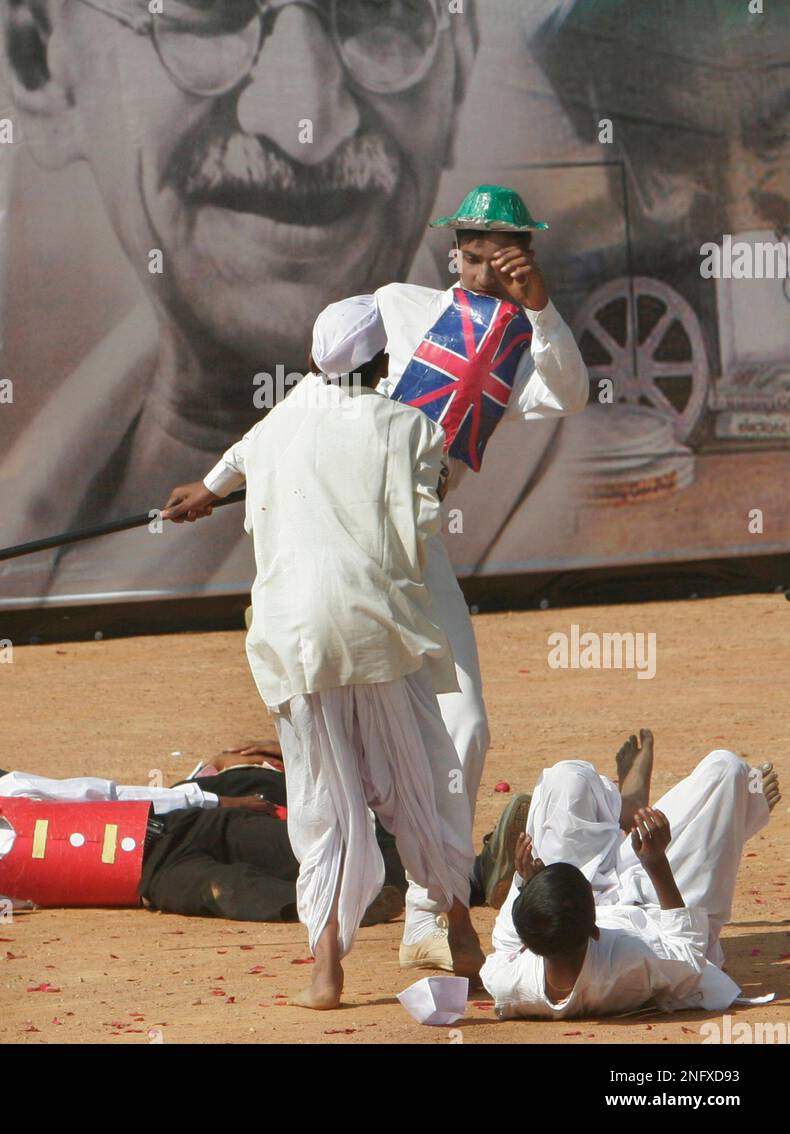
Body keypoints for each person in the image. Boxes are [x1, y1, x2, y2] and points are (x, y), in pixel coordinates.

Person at [0, 0, 477, 601]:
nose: (305, 122)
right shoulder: (17, 525)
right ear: (36, 55)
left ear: (453, 67)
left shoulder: (549, 480)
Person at [166, 185, 589, 968]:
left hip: (415, 544)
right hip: (349, 539)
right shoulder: (397, 304)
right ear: (451, 247)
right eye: (470, 243)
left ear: (526, 252)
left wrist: (542, 308)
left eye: (503, 246)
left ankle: (430, 913)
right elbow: (307, 395)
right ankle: (348, 911)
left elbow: (569, 394)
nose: (483, 257)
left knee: (466, 726)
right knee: (343, 753)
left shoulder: (525, 340)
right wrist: (218, 482)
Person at [206, 294, 482, 1009]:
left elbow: (238, 457)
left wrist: (202, 493)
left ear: (309, 365)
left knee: (323, 804)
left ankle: (326, 970)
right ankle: (462, 935)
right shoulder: (412, 428)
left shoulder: (277, 427)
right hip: (375, 633)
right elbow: (426, 501)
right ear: (385, 364)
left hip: (293, 640)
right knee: (417, 788)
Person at [0, 749, 405, 931]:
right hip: (152, 879)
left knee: (279, 840)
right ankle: (343, 905)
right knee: (225, 889)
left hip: (174, 825)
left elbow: (102, 791)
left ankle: (409, 872)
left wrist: (207, 797)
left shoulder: (8, 793)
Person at [480, 730, 782, 1018]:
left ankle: (630, 808)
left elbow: (506, 939)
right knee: (726, 770)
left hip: (567, 912)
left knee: (567, 777)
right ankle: (728, 819)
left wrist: (528, 884)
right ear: (598, 932)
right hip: (654, 908)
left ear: (528, 944)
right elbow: (689, 952)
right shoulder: (632, 960)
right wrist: (656, 863)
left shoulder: (509, 981)